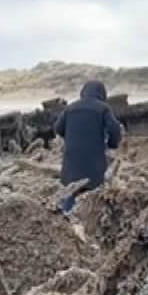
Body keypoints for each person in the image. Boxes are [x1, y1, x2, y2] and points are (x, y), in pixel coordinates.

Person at [54, 79, 123, 213]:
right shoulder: (103, 108)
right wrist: (112, 144)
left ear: (83, 92)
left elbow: (58, 128)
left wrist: (71, 139)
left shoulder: (70, 108)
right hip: (94, 164)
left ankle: (66, 219)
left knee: (69, 195)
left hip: (71, 163)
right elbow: (115, 129)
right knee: (95, 198)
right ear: (102, 94)